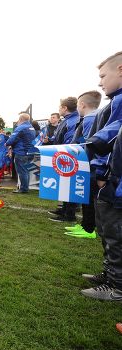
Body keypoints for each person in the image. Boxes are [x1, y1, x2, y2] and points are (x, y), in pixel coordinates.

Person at [80, 51, 122, 301]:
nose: (100, 82)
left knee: (115, 232)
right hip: (110, 179)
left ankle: (117, 285)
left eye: (103, 75)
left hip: (114, 181)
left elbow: (114, 140)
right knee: (107, 230)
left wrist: (103, 172)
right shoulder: (115, 101)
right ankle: (110, 274)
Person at [64, 90, 101, 239]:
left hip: (90, 164)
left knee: (89, 196)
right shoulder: (96, 116)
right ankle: (86, 224)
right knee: (88, 196)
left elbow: (87, 144)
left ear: (82, 104)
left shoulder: (90, 118)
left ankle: (88, 228)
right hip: (93, 163)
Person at [48, 97, 80, 222]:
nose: (58, 109)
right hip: (63, 155)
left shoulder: (72, 121)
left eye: (60, 107)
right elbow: (59, 137)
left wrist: (62, 152)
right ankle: (64, 210)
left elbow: (70, 141)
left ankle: (69, 215)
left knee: (70, 185)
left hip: (67, 156)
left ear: (65, 108)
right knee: (65, 185)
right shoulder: (67, 120)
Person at [5, 113, 36, 193]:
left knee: (22, 171)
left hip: (21, 152)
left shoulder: (21, 127)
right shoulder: (31, 127)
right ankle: (25, 187)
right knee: (26, 171)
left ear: (21, 119)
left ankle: (23, 189)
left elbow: (12, 139)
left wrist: (7, 143)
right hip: (30, 152)